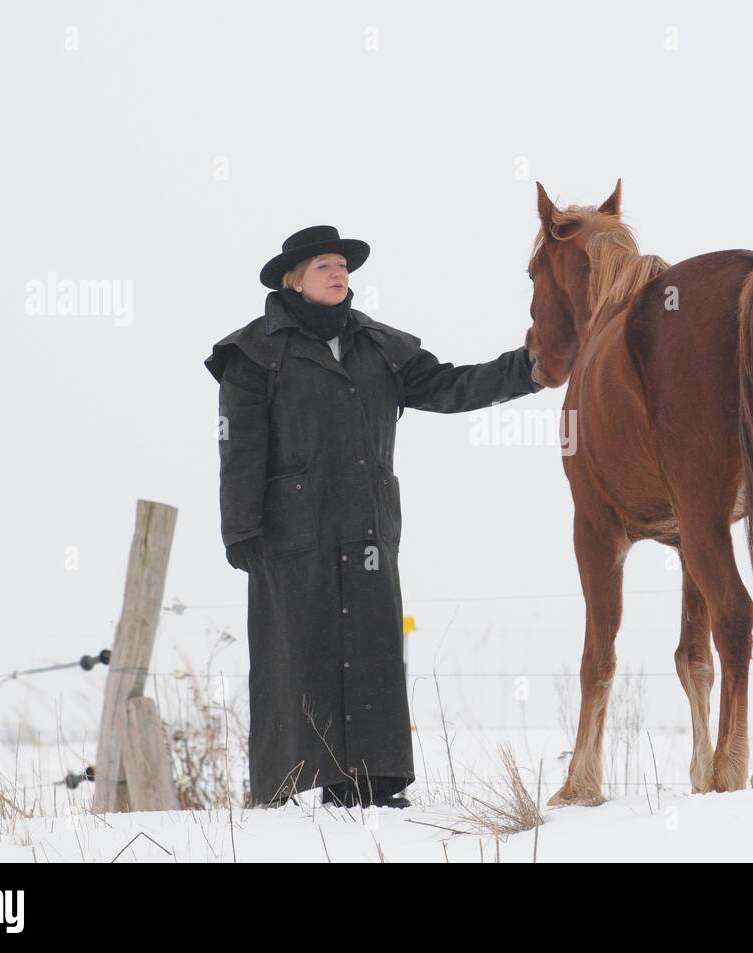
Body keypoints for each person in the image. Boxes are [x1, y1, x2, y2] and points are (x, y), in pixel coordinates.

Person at [204, 225, 545, 809]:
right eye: (324, 266)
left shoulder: (380, 346)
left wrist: (531, 368)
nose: (339, 274)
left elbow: (451, 387)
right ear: (295, 280)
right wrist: (240, 529)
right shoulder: (254, 352)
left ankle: (376, 784)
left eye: (343, 265)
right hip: (291, 534)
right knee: (300, 654)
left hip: (368, 527)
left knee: (373, 651)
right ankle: (304, 788)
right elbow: (240, 448)